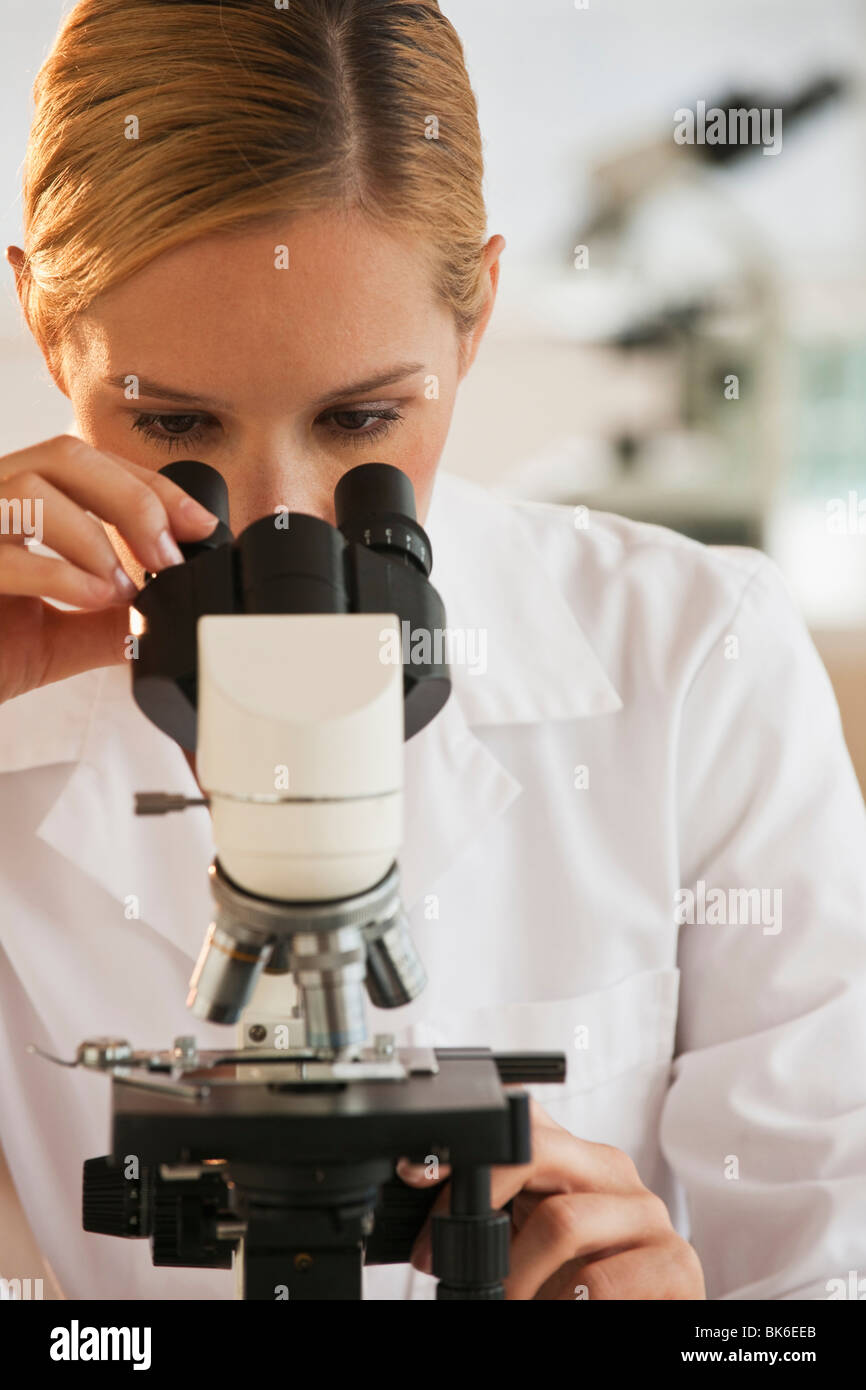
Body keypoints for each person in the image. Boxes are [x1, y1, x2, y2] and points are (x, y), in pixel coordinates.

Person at [0, 0, 864, 1303]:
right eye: (175, 425)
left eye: (361, 422)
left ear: (476, 319)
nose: (281, 521)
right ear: (41, 321)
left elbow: (823, 1269)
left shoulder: (698, 659)